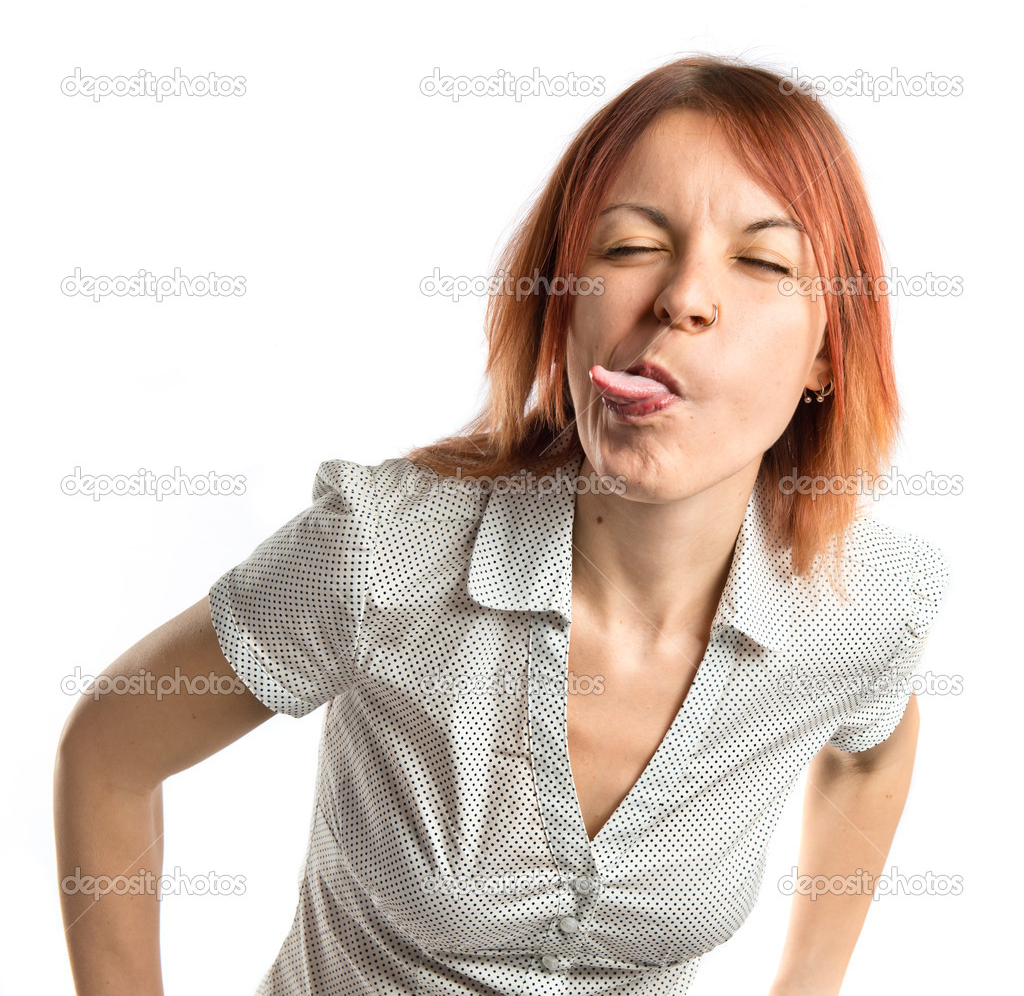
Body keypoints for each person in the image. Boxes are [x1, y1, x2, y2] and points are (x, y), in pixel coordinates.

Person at [55, 53, 951, 996]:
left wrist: (808, 985)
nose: (683, 298)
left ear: (826, 355)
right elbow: (108, 756)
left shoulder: (863, 604)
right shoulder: (382, 551)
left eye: (763, 261)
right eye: (629, 247)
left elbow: (875, 749)